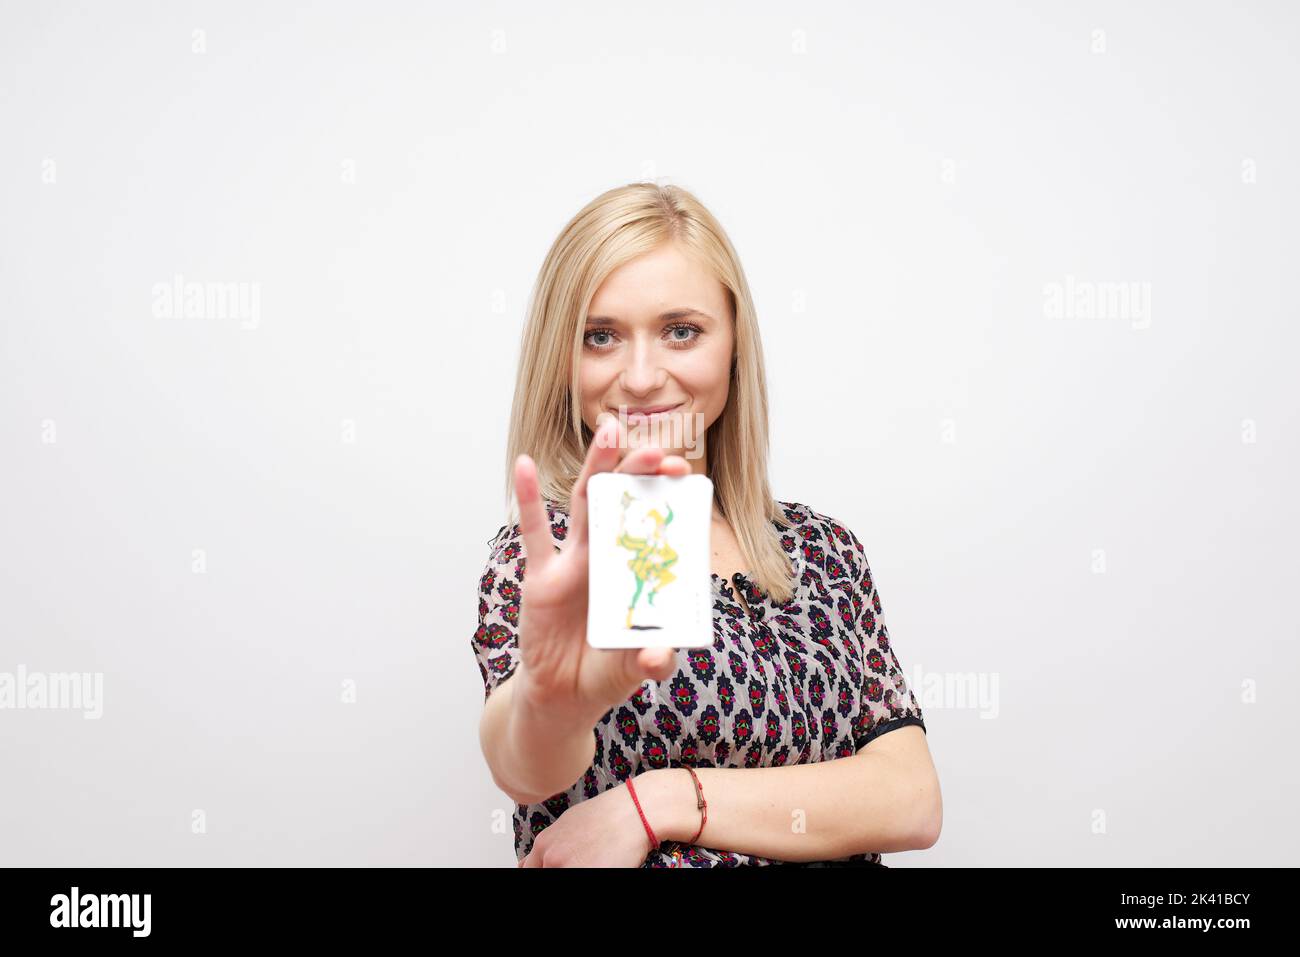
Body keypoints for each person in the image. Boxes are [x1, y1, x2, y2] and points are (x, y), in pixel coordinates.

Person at [472, 182, 941, 867]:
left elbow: (910, 797)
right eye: (600, 336)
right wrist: (550, 707)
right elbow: (525, 764)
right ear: (562, 361)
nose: (639, 376)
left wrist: (659, 801)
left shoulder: (823, 550)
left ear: (732, 348)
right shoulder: (553, 553)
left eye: (680, 331)